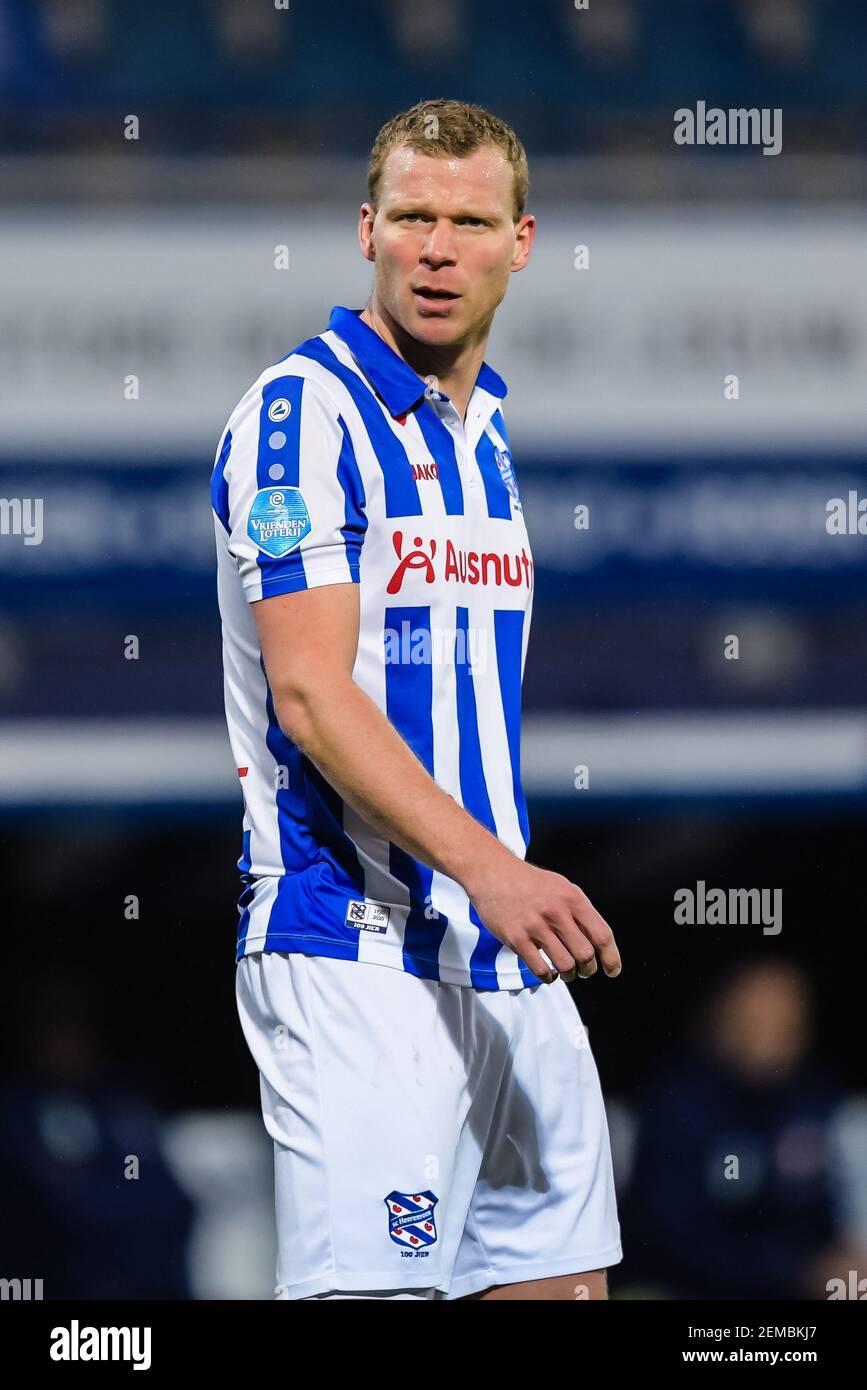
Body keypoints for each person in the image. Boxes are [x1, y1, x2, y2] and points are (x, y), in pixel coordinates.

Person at [210, 97, 623, 1301]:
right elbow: (311, 694)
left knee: (565, 1290)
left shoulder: (482, 431)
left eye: (470, 221)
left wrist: (497, 891)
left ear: (521, 242)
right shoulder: (303, 418)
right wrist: (493, 869)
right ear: (367, 231)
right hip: (356, 946)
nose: (439, 249)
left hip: (503, 960)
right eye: (413, 219)